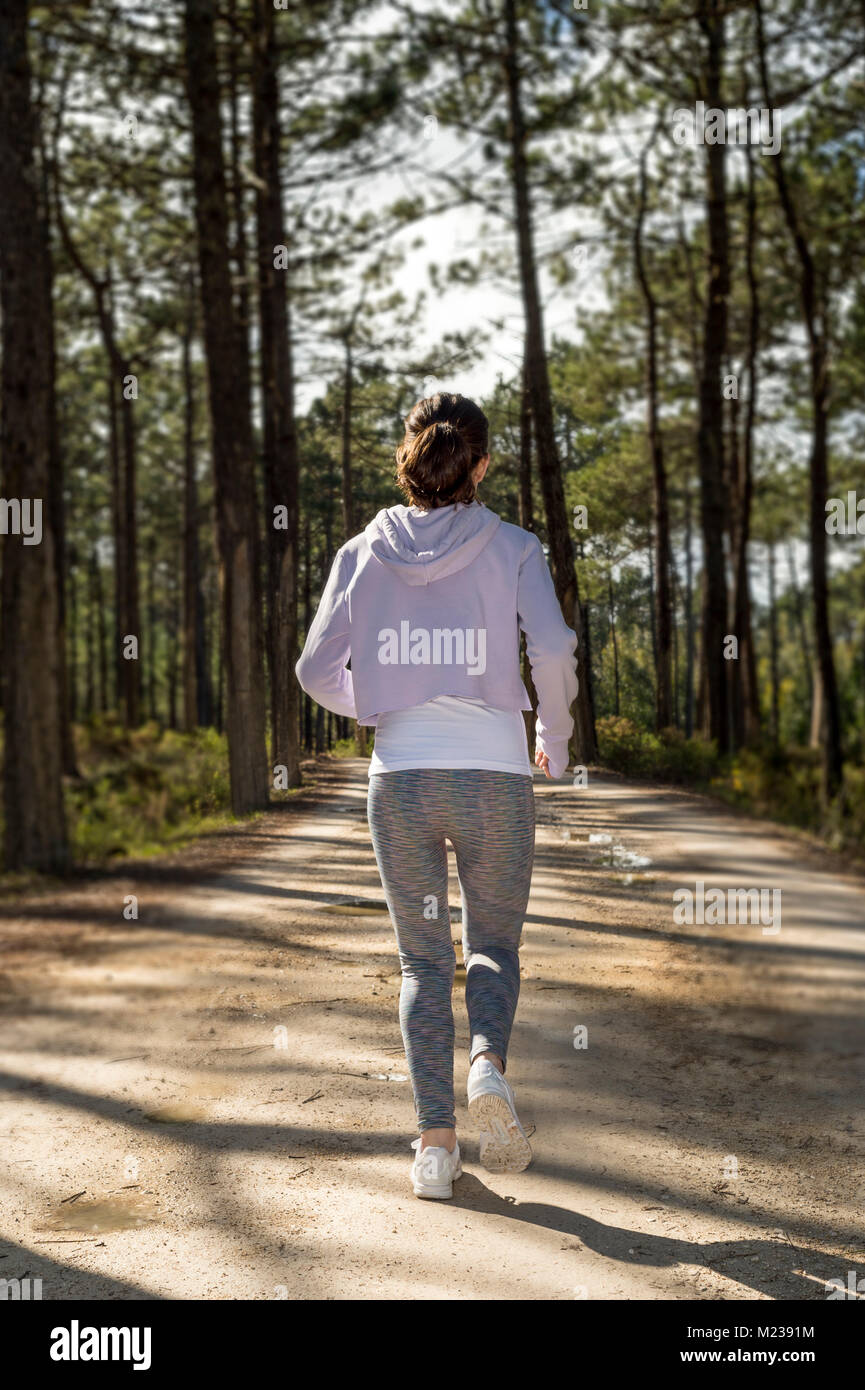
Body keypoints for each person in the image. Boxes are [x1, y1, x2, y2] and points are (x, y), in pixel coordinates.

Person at [296, 392, 578, 1200]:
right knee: (492, 945)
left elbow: (315, 673)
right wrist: (551, 738)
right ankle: (487, 1066)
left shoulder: (360, 552)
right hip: (493, 775)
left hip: (402, 781)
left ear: (409, 458)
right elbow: (553, 646)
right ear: (479, 465)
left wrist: (382, 701)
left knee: (421, 961)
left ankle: (433, 1149)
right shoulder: (515, 546)